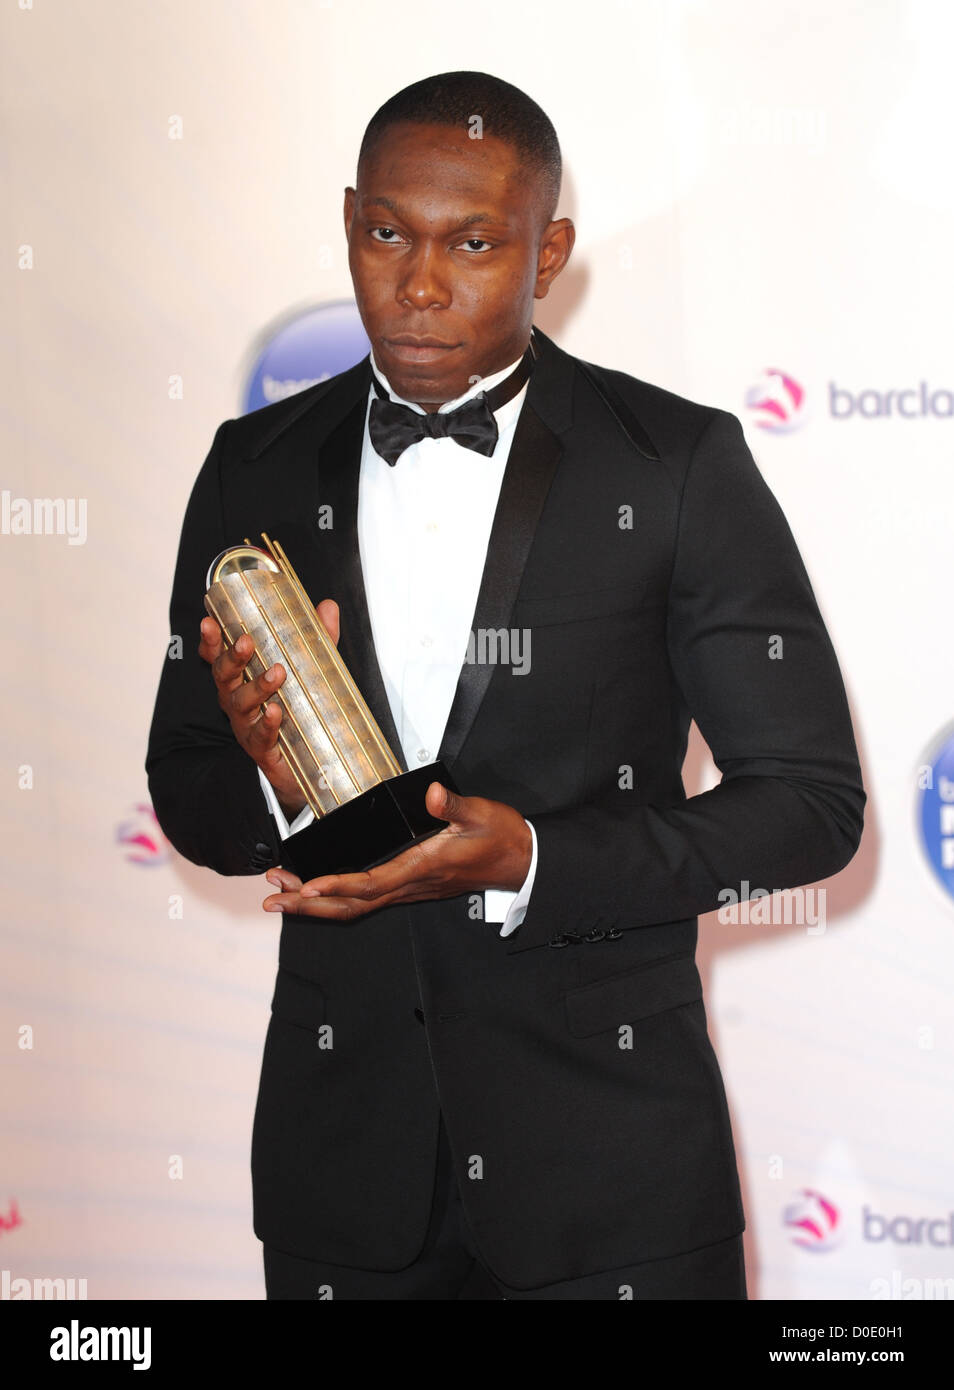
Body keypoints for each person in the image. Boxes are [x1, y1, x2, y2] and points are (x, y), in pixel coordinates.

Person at [146, 71, 865, 1300]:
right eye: (387, 234)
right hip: (345, 1177)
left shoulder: (679, 464)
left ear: (550, 253)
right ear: (350, 225)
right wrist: (278, 790)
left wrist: (536, 857)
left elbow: (808, 805)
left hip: (614, 1179)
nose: (419, 284)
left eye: (474, 243)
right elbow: (186, 784)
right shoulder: (250, 466)